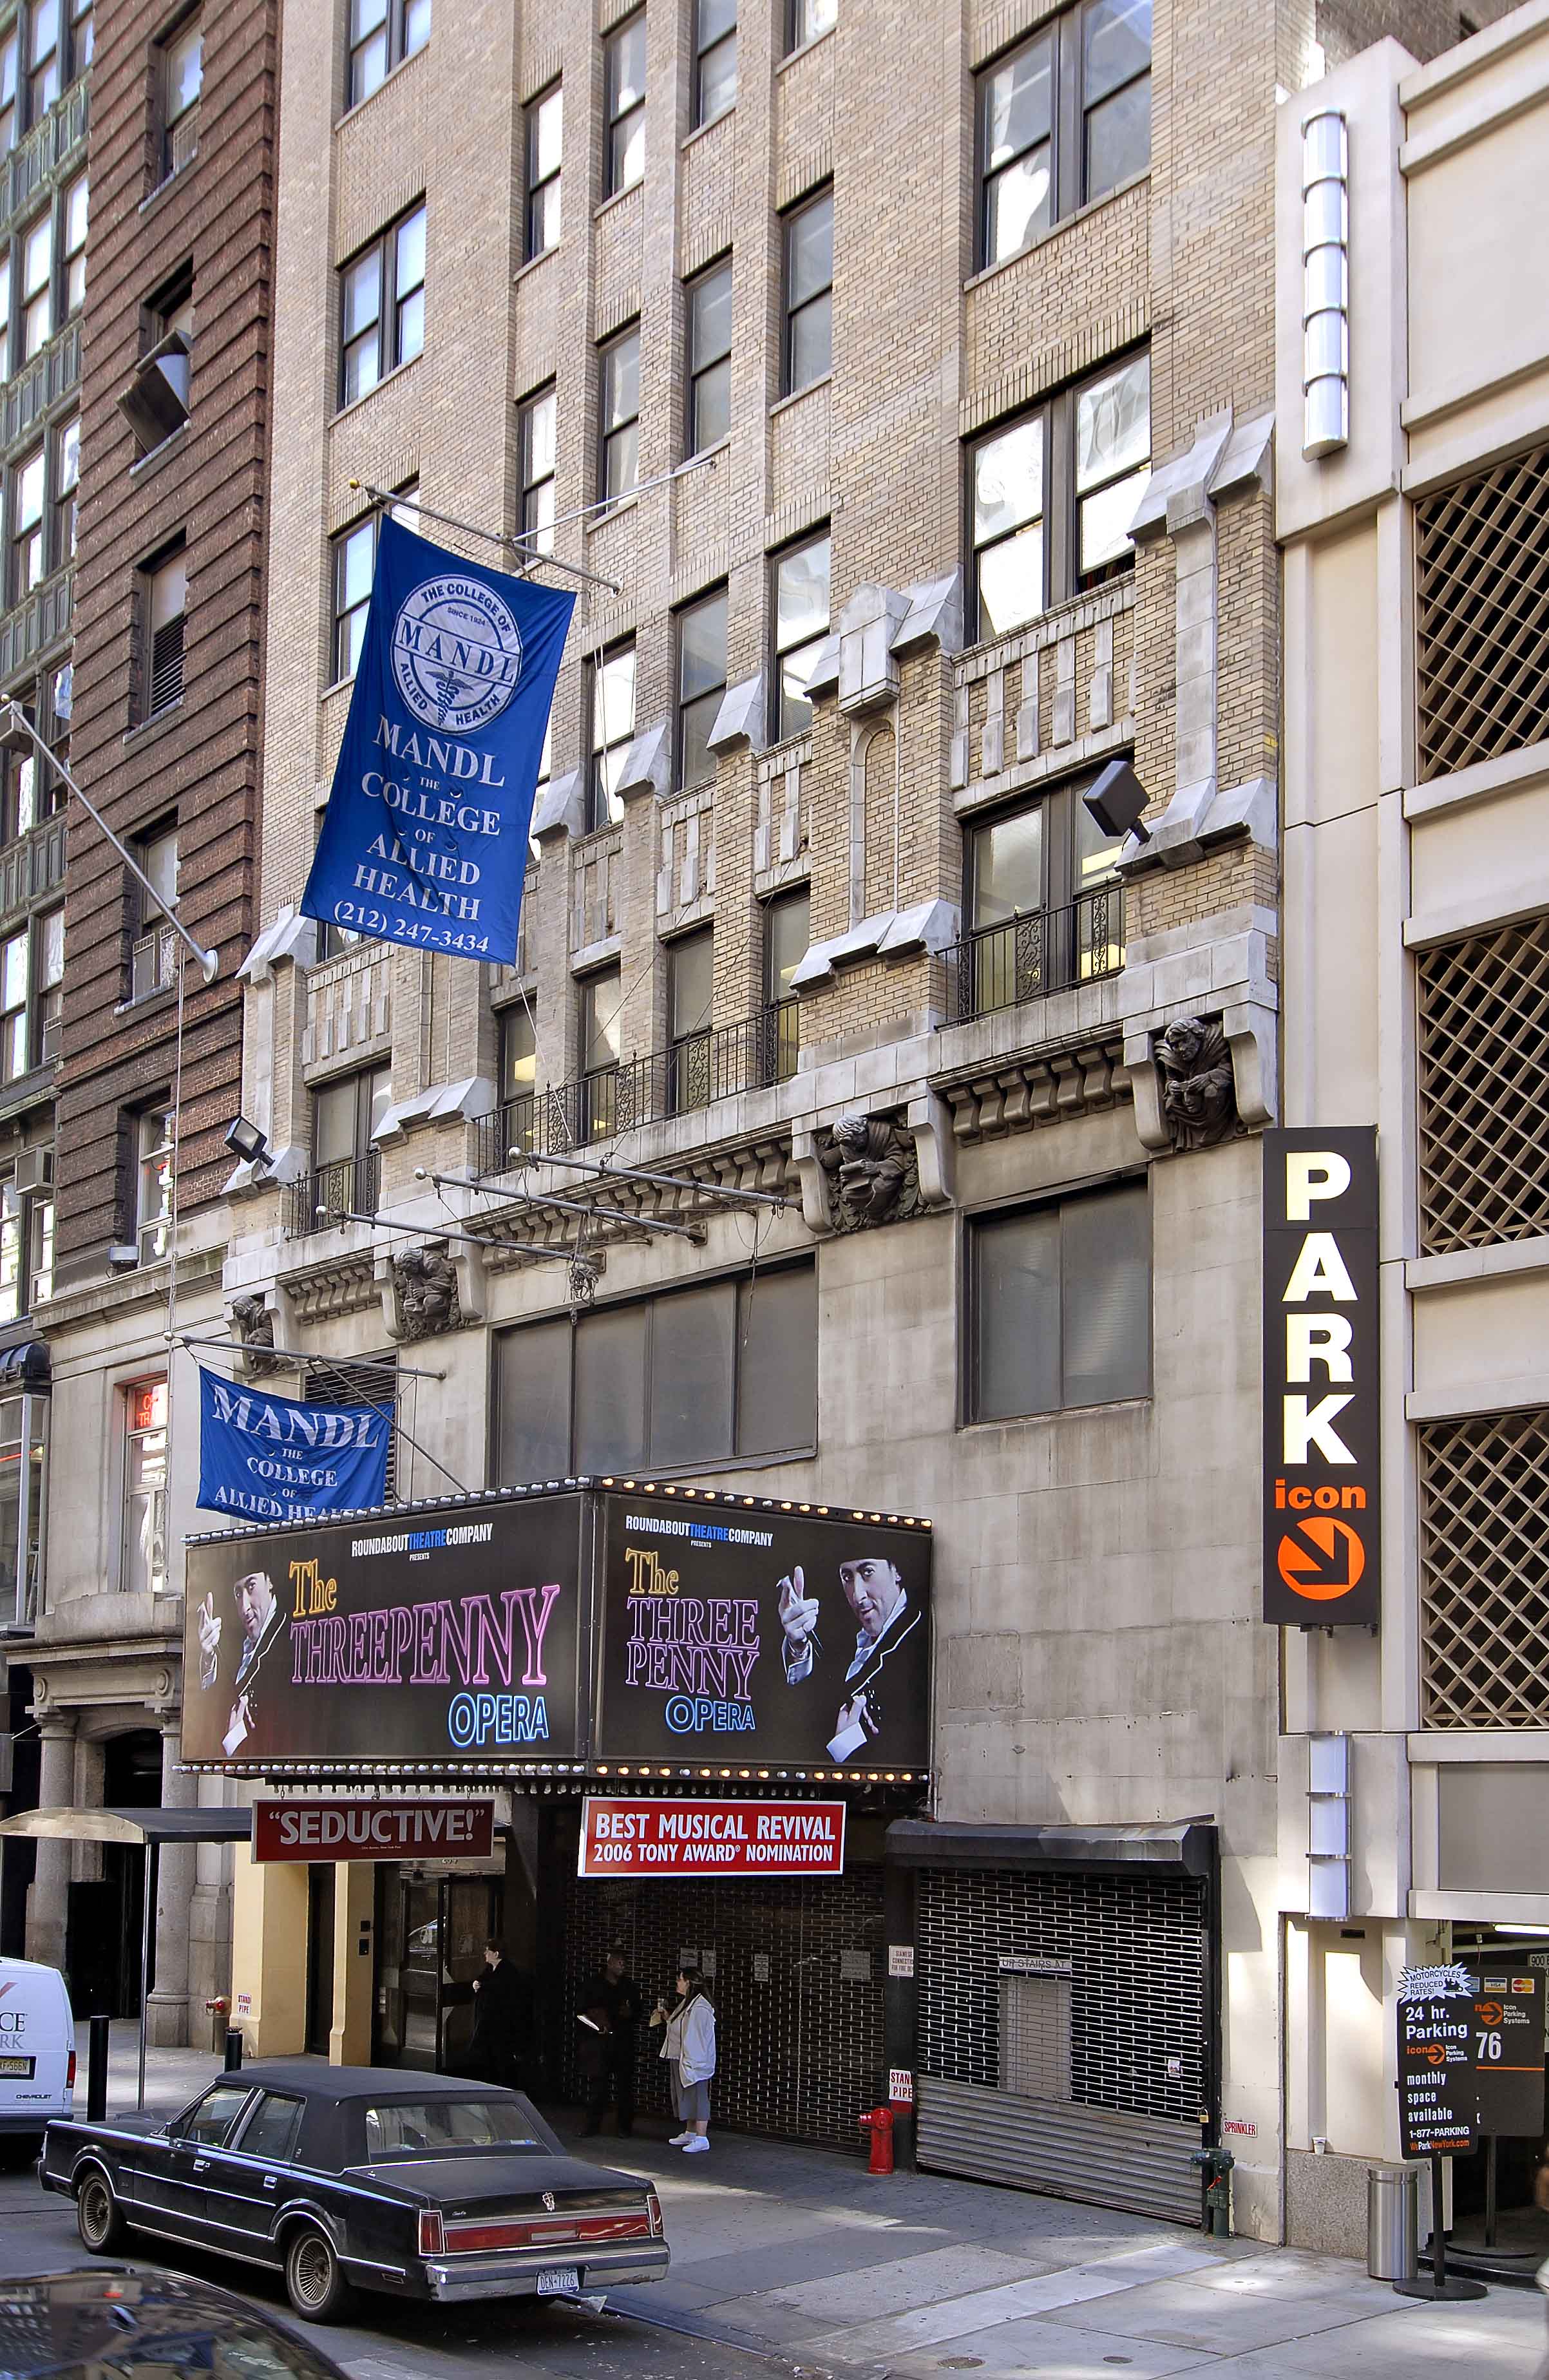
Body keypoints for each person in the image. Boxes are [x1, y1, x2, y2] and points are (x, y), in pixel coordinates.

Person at [776, 1551, 922, 1759]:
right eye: (848, 1578)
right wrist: (798, 1646)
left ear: (896, 1571)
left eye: (868, 1572)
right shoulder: (845, 1639)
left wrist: (844, 1747)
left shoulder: (919, 1643)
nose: (857, 1595)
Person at [649, 1967, 716, 2153]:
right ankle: (691, 2131)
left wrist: (694, 2060)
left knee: (698, 2095)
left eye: (679, 1980)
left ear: (689, 1982)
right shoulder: (687, 2003)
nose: (677, 1983)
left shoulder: (700, 2007)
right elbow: (679, 2026)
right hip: (681, 2056)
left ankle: (701, 2137)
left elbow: (699, 2037)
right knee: (685, 2095)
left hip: (694, 2060)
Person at [580, 1947, 644, 2137]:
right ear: (610, 1963)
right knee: (598, 2085)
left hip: (623, 2041)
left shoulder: (629, 1987)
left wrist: (631, 2014)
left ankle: (624, 2127)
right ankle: (592, 2126)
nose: (623, 1967)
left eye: (625, 1964)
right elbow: (582, 2010)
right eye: (619, 1963)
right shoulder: (594, 1984)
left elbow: (638, 2011)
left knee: (625, 2086)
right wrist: (597, 2024)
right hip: (600, 2042)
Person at [464, 1938, 523, 2089]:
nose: (485, 1953)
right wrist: (476, 1984)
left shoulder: (508, 1972)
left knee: (498, 2056)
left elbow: (501, 1993)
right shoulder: (490, 1969)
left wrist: (482, 1987)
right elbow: (482, 1981)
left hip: (500, 2024)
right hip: (489, 2022)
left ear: (496, 1953)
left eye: (487, 1951)